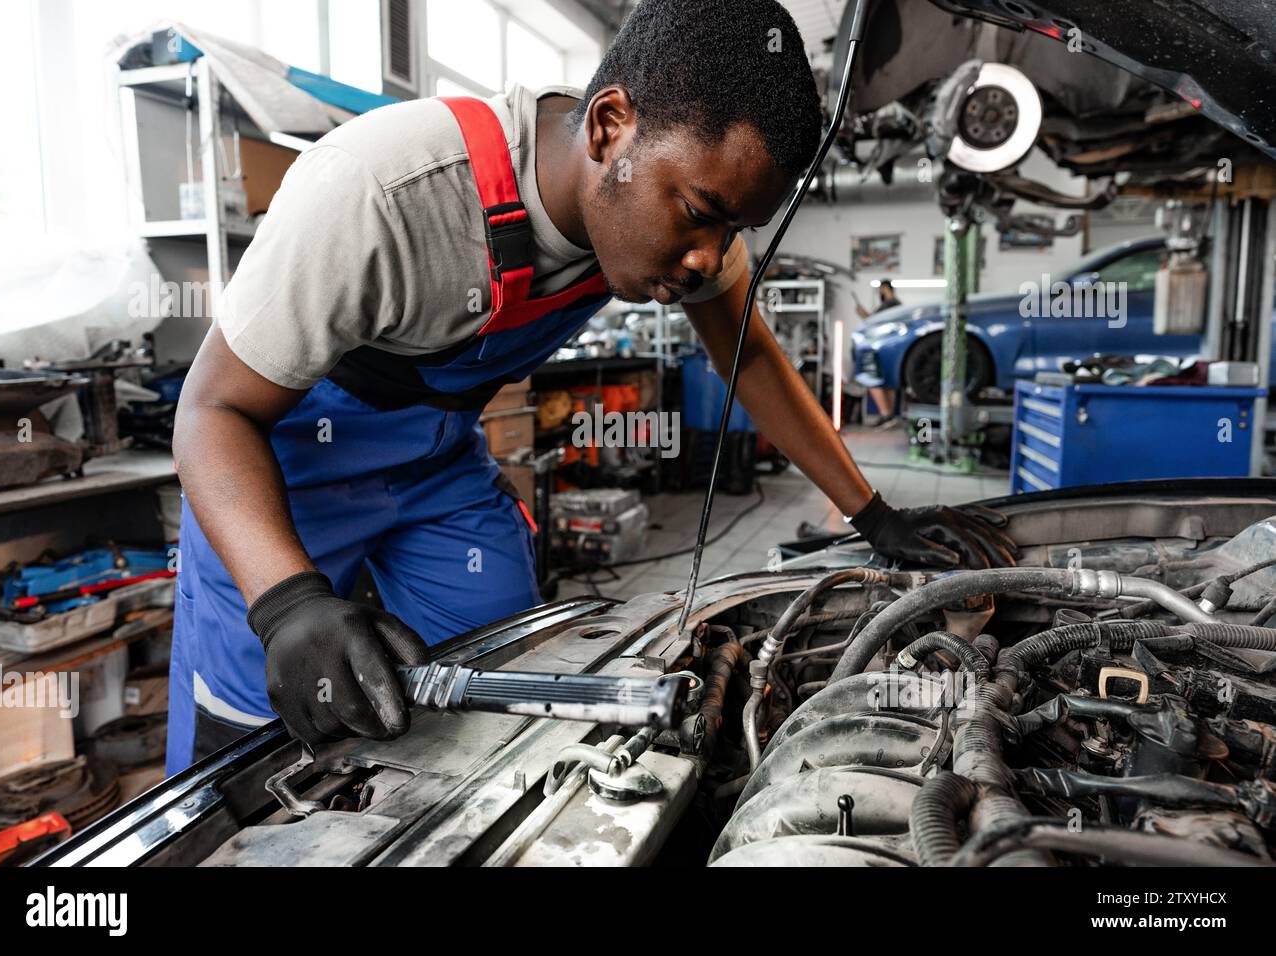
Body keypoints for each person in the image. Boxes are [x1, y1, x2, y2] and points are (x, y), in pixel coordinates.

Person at [167, 0, 1018, 772]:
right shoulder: (382, 189)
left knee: (513, 689)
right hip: (282, 469)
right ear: (611, 125)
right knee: (267, 734)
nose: (708, 260)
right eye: (699, 214)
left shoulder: (684, 208)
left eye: (733, 230)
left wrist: (874, 516)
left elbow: (749, 357)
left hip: (436, 466)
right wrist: (286, 604)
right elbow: (210, 410)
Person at [856, 279, 902, 422]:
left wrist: (864, 315)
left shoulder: (891, 304)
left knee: (873, 380)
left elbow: (873, 321)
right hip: (892, 348)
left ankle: (886, 414)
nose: (879, 293)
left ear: (885, 288)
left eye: (881, 289)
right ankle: (890, 415)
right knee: (888, 383)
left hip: (882, 347)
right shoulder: (897, 305)